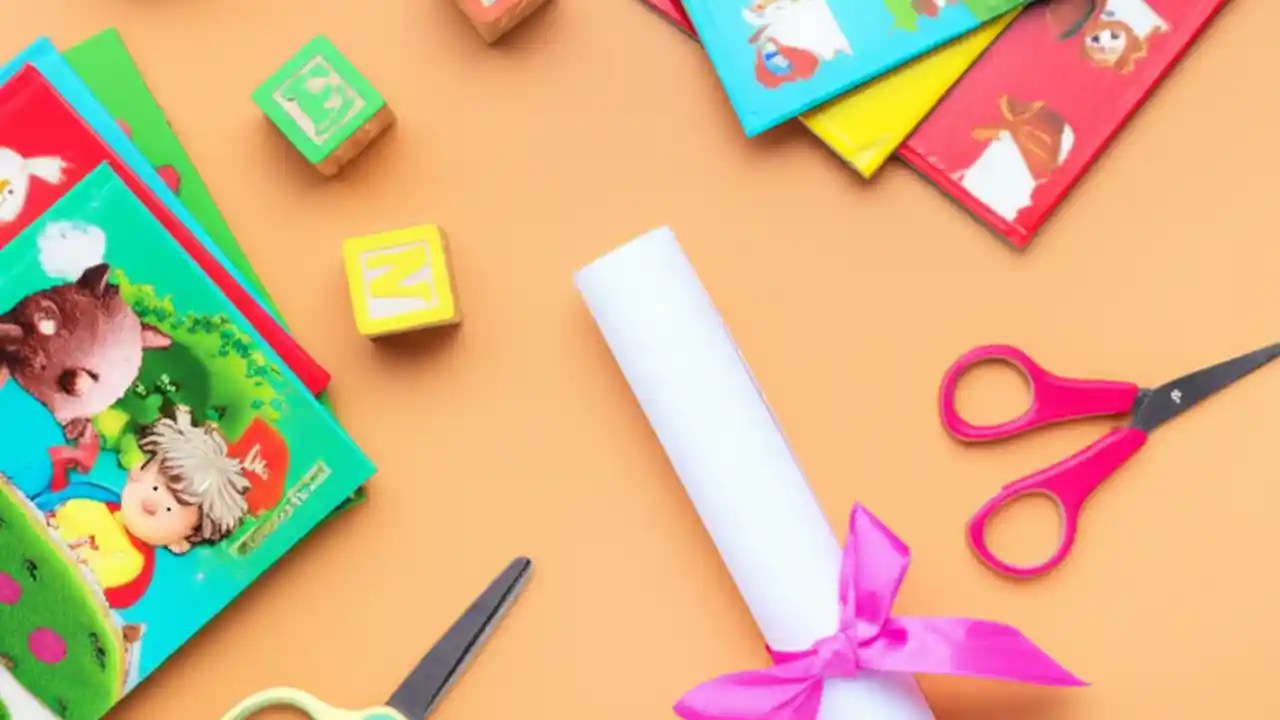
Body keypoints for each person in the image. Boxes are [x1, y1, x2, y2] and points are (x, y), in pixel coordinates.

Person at [43, 406, 251, 609]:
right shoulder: (97, 502)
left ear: (182, 542)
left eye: (171, 506)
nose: (153, 501)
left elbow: (74, 577)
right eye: (155, 485)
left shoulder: (130, 563)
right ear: (137, 472)